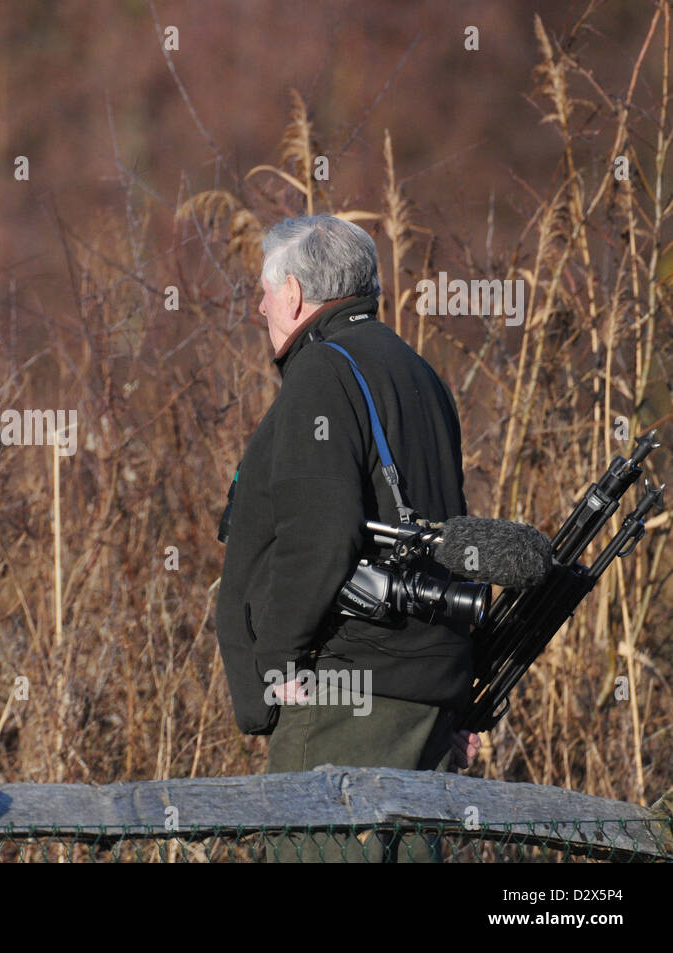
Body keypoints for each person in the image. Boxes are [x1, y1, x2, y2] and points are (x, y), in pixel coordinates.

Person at [213, 215, 480, 862]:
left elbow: (321, 537)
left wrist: (274, 664)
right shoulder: (418, 373)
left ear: (297, 294)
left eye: (266, 291)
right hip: (427, 697)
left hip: (345, 703)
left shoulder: (323, 372)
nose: (259, 306)